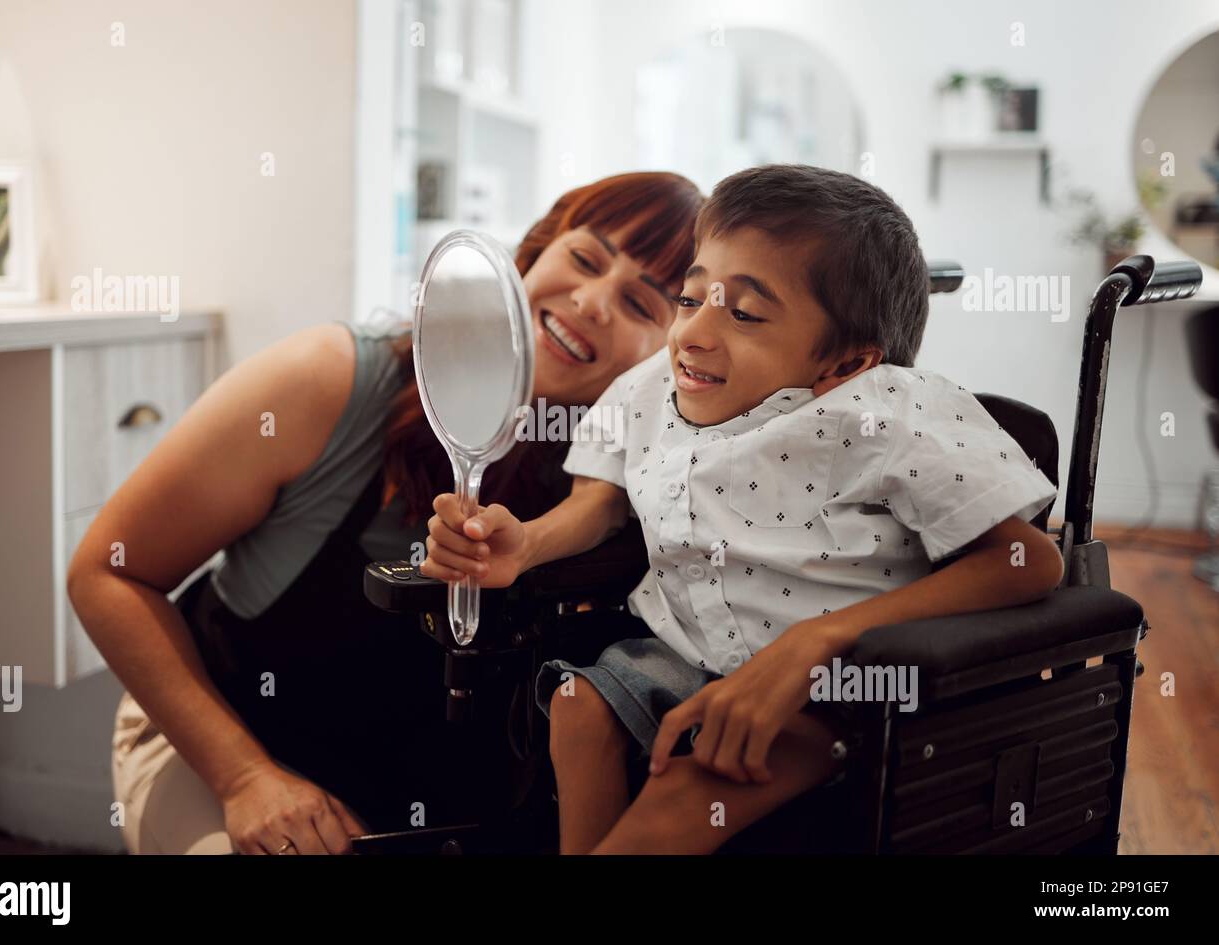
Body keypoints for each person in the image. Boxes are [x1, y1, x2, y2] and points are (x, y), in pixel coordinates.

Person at [421, 164, 1065, 854]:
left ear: (847, 364)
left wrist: (815, 644)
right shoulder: (646, 390)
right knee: (578, 708)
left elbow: (1029, 562)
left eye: (746, 314)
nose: (692, 333)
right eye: (691, 297)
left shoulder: (889, 409)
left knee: (691, 790)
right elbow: (600, 504)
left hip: (841, 689)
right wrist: (525, 545)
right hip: (681, 653)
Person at [66, 171, 704, 854]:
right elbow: (107, 574)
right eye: (583, 258)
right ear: (533, 252)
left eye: (641, 304)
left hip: (402, 792)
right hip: (219, 738)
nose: (591, 302)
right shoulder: (328, 379)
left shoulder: (630, 485)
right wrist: (245, 776)